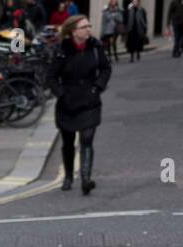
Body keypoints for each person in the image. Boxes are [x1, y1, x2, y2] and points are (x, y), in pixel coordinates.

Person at [47, 15, 110, 193]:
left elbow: (106, 68)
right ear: (74, 31)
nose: (88, 29)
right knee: (68, 142)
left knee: (87, 140)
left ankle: (85, 179)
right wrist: (61, 94)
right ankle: (68, 176)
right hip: (68, 102)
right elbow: (51, 76)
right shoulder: (62, 49)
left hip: (90, 100)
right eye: (84, 27)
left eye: (89, 26)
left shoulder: (96, 47)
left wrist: (98, 87)